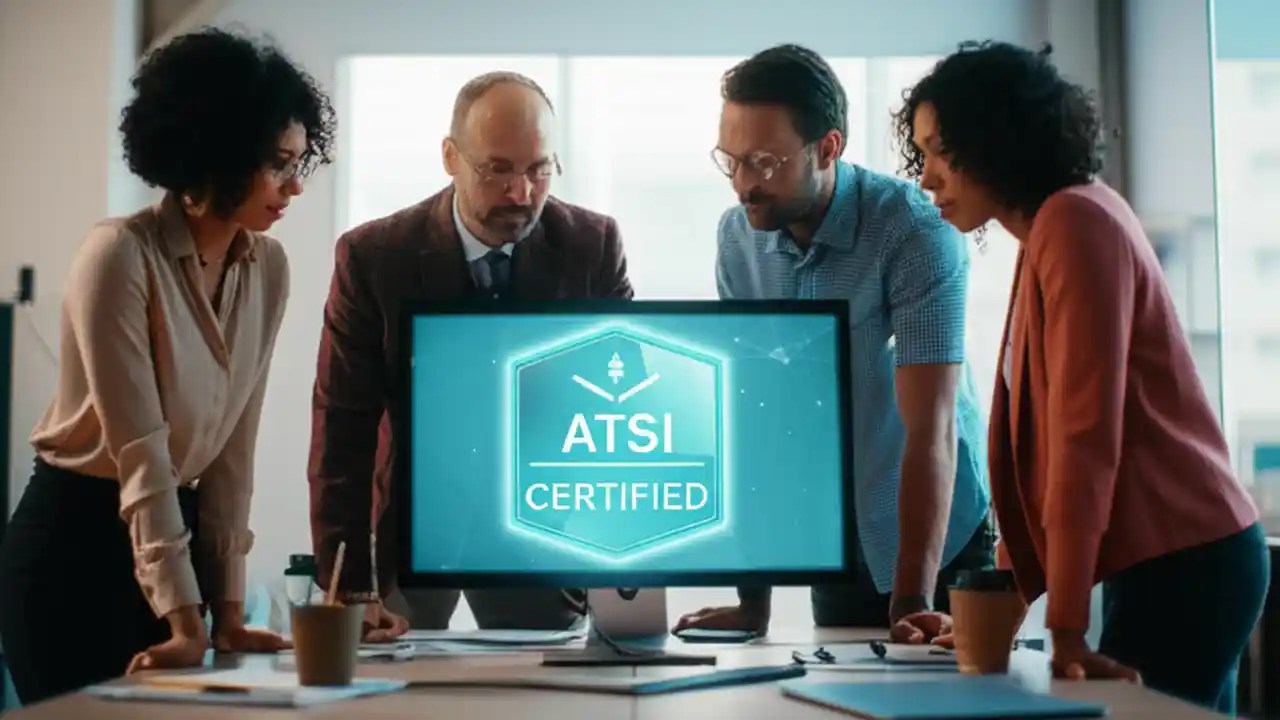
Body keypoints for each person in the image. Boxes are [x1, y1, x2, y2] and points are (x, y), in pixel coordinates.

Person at [893, 40, 1269, 713]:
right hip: (1176, 561)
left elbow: (1084, 440)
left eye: (940, 152)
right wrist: (991, 615)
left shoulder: (1075, 224)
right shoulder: (1049, 232)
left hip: (1189, 561)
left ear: (994, 139)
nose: (926, 177)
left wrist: (1065, 631)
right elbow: (1035, 461)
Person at [0, 28, 335, 704]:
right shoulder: (118, 256)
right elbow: (141, 455)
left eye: (301, 162)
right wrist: (188, 622)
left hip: (170, 534)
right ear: (215, 155)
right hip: (76, 544)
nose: (295, 186)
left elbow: (233, 454)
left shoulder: (267, 268)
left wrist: (229, 615)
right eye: (277, 163)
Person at [673, 44, 993, 641]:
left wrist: (911, 601)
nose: (745, 185)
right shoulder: (739, 241)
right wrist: (753, 602)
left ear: (828, 148)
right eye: (732, 160)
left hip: (938, 535)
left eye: (765, 161)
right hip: (839, 521)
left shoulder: (916, 234)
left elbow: (932, 429)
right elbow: (754, 416)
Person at [309, 71, 634, 640]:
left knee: (547, 692)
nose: (522, 193)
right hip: (411, 520)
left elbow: (626, 411)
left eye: (539, 169)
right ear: (450, 157)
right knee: (391, 685)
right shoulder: (374, 257)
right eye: (498, 169)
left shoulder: (592, 245)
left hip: (540, 528)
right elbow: (342, 430)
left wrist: (624, 573)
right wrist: (350, 586)